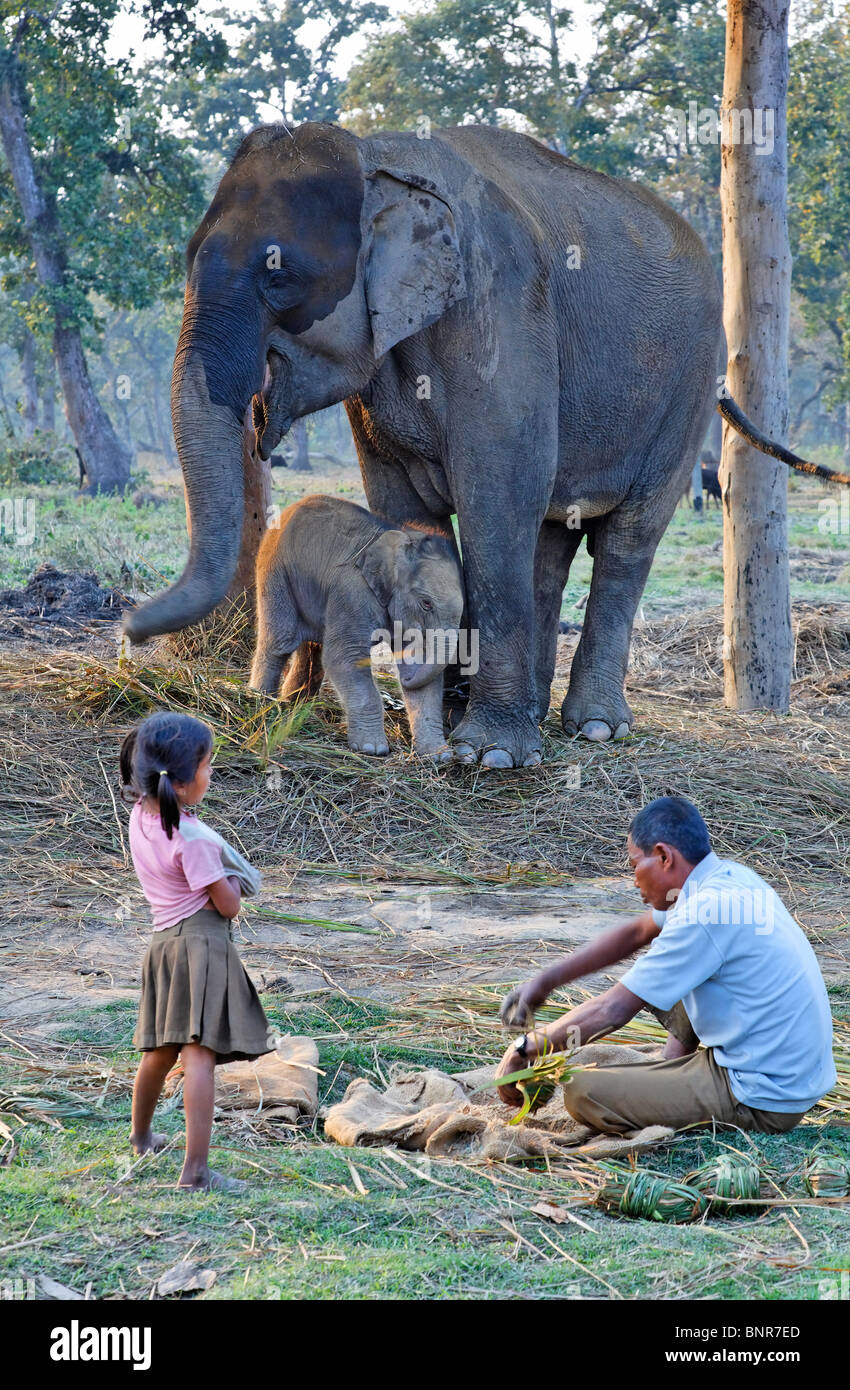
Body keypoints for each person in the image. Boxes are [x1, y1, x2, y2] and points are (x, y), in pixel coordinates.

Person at [496, 796, 836, 1135]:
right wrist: (545, 981)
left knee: (582, 1092)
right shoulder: (730, 879)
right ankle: (671, 1068)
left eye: (633, 865)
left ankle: (675, 1079)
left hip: (760, 1097)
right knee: (679, 963)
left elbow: (612, 1011)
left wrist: (526, 1048)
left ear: (663, 856)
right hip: (787, 1079)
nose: (633, 880)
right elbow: (637, 932)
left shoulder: (704, 913)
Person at [119, 711, 270, 1191]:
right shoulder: (194, 839)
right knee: (198, 1054)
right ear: (182, 783)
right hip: (201, 945)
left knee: (159, 1052)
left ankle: (140, 1138)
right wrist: (234, 877)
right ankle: (196, 1172)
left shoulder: (141, 817)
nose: (211, 775)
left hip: (163, 943)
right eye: (207, 767)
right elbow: (226, 907)